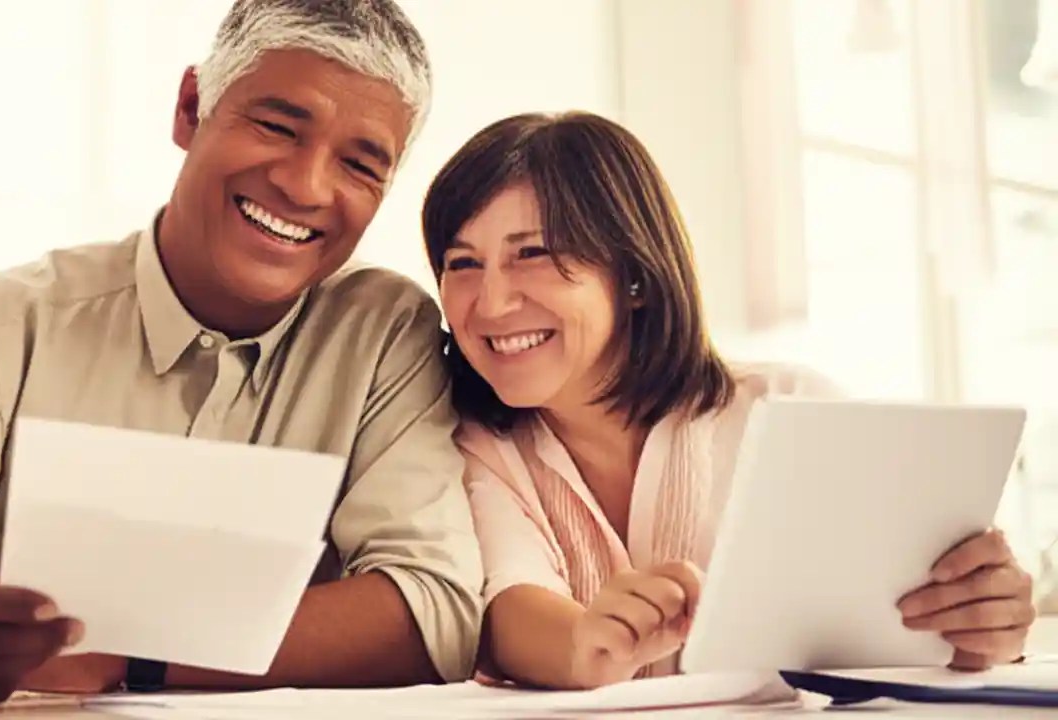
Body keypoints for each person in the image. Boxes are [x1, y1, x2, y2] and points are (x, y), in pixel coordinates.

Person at [0, 0, 484, 712]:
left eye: (360, 165)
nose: (304, 187)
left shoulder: (383, 333)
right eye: (276, 126)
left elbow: (432, 614)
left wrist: (129, 656)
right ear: (190, 108)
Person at [420, 111, 1037, 690]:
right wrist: (585, 643)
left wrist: (985, 628)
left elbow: (904, 630)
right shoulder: (466, 444)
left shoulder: (794, 410)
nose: (492, 302)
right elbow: (506, 603)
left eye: (533, 253)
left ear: (632, 275)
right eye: (463, 263)